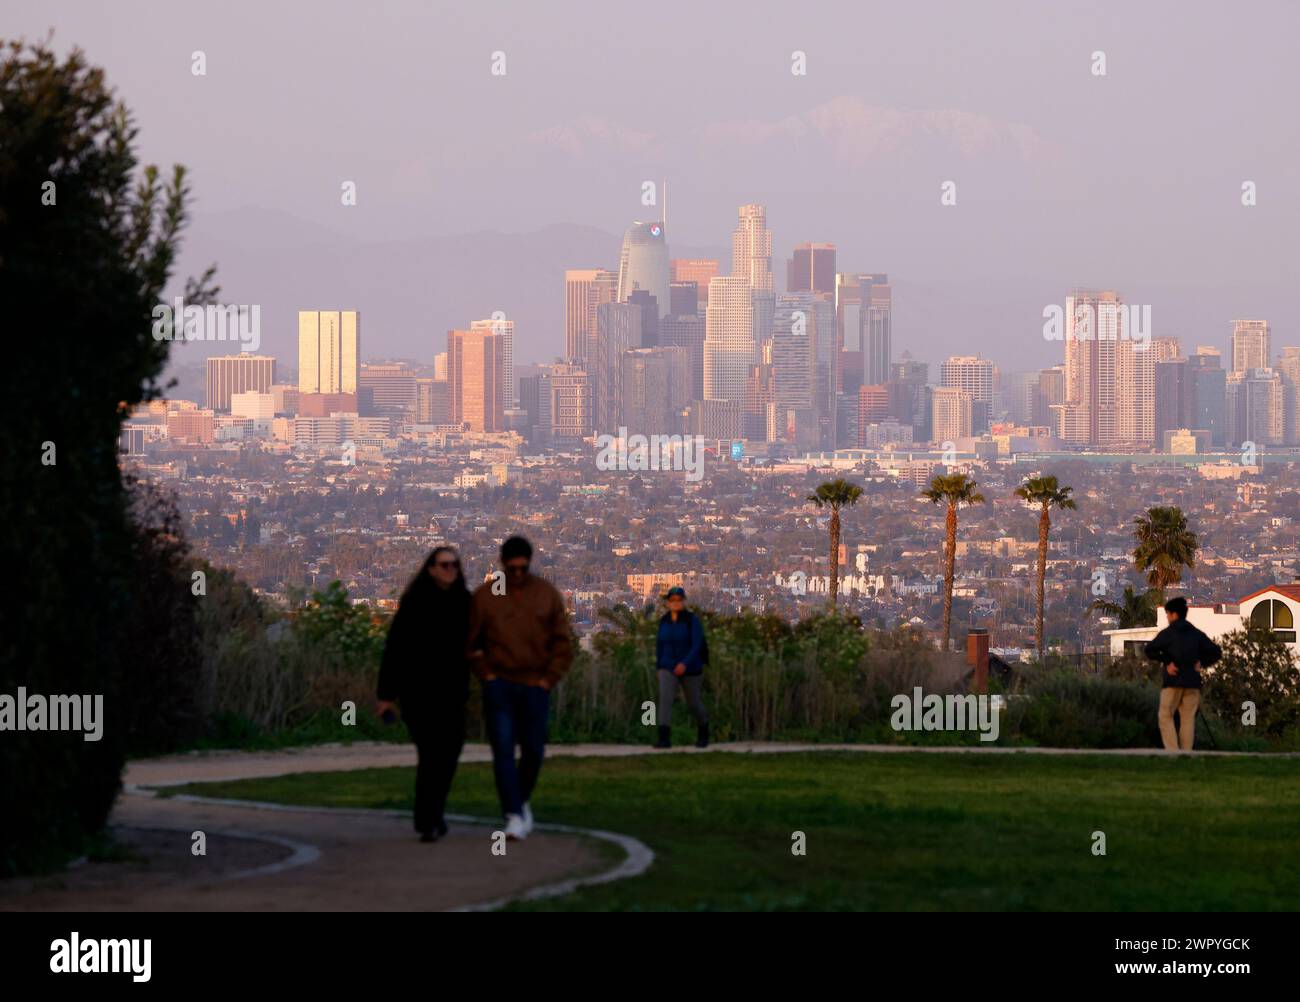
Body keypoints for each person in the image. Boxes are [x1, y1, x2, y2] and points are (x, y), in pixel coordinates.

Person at [466, 536, 573, 841]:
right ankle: (513, 813)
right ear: (502, 564)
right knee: (502, 750)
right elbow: (471, 644)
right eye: (511, 569)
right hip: (499, 685)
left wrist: (548, 680)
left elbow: (562, 645)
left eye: (521, 569)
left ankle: (519, 800)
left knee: (534, 750)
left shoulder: (545, 595)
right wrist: (486, 676)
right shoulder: (486, 598)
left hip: (534, 686)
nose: (516, 575)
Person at [377, 547, 472, 842]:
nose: (450, 570)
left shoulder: (464, 602)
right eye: (444, 565)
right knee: (432, 754)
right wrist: (386, 695)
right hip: (419, 694)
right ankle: (427, 819)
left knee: (450, 754)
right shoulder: (416, 603)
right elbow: (395, 649)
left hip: (453, 693)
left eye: (455, 565)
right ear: (430, 568)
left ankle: (433, 812)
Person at [1144, 595, 1221, 752]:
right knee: (1188, 720)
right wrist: (1202, 663)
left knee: (1165, 716)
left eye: (1168, 614)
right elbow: (1216, 652)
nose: (1167, 617)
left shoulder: (1168, 633)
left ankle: (1173, 752)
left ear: (1173, 614)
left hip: (1173, 682)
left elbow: (1149, 650)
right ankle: (1186, 753)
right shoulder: (1196, 634)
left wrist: (1167, 662)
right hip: (1192, 683)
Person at [653, 587, 710, 750]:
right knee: (665, 700)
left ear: (683, 602)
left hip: (691, 667)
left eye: (679, 600)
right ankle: (664, 738)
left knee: (693, 703)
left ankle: (703, 730)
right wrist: (659, 666)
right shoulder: (664, 621)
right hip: (667, 666)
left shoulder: (692, 621)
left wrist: (684, 663)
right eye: (673, 600)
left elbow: (697, 644)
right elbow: (659, 645)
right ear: (668, 603)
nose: (676, 603)